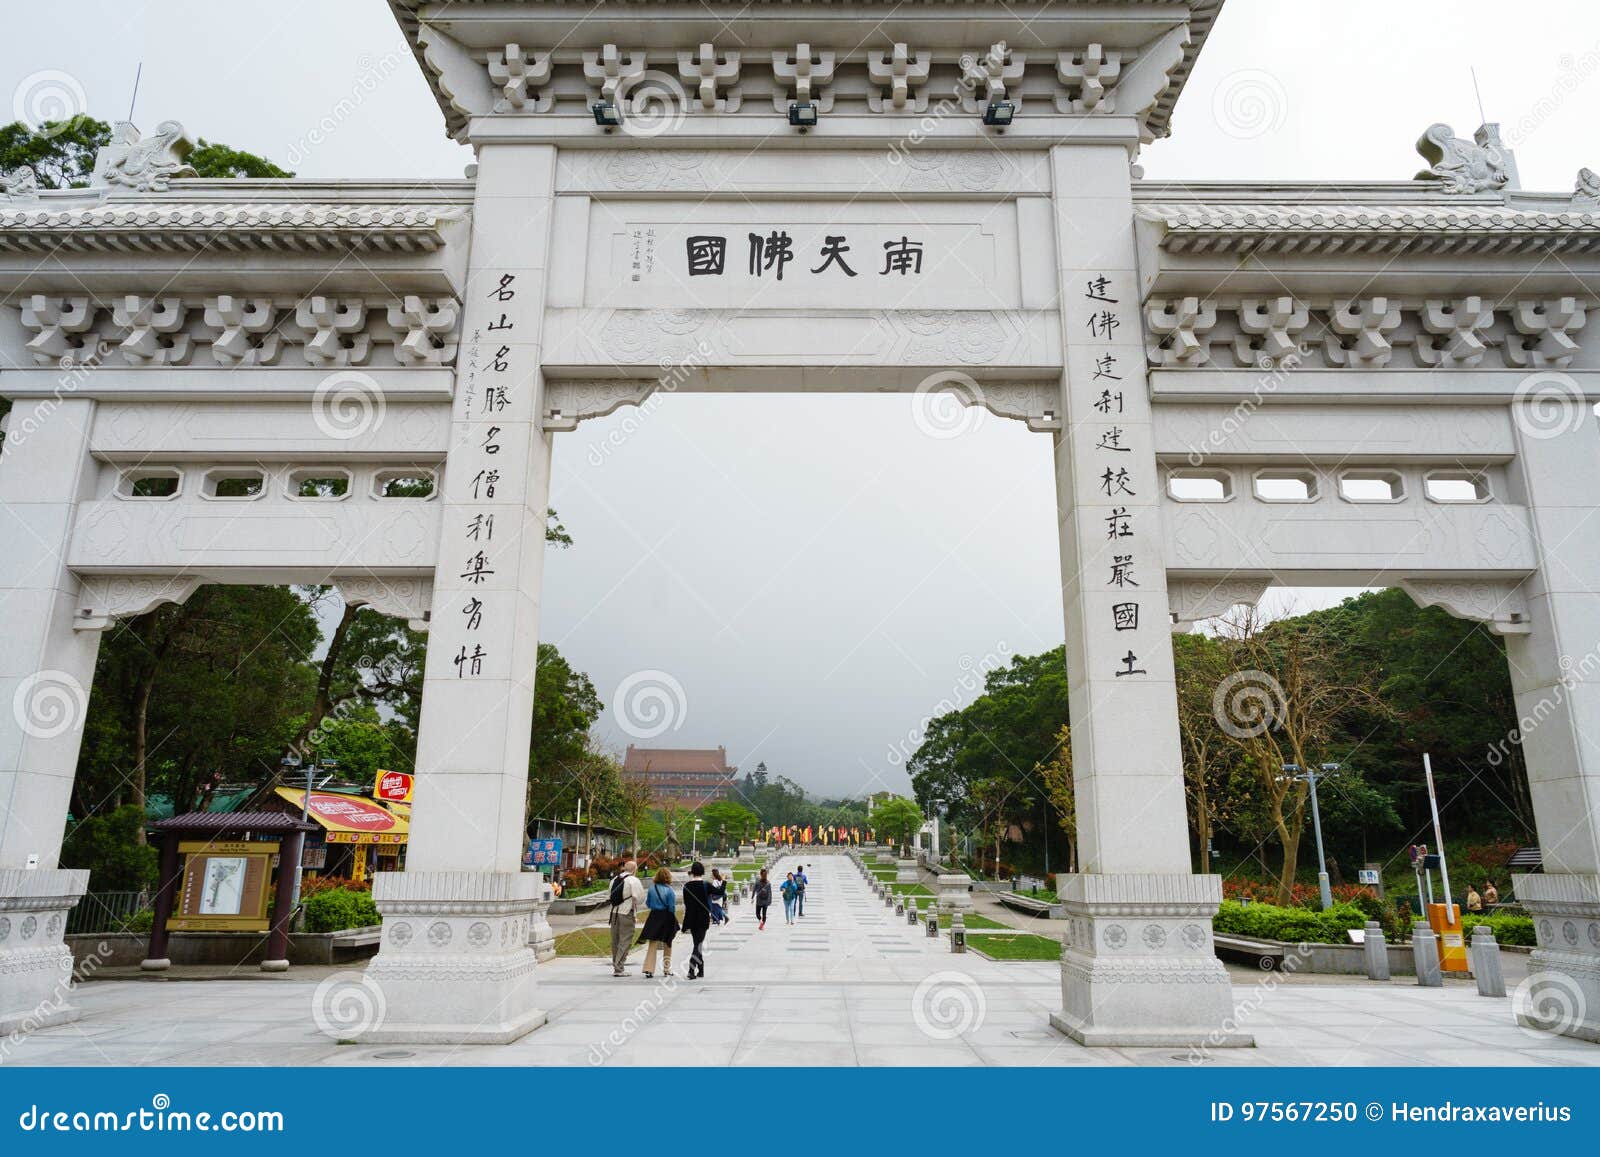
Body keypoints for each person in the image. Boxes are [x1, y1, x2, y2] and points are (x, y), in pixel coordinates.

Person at [608, 859, 647, 978]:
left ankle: (616, 965)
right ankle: (619, 967)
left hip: (614, 912)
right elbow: (640, 899)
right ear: (634, 870)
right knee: (625, 940)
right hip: (626, 913)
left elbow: (609, 894)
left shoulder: (614, 879)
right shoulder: (633, 881)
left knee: (615, 940)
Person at [639, 866, 679, 978]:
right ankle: (666, 969)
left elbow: (648, 904)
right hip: (666, 916)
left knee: (653, 943)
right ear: (668, 877)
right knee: (668, 943)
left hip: (654, 916)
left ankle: (649, 969)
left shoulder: (652, 888)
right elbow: (672, 907)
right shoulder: (670, 890)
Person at [681, 862, 713, 979]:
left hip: (692, 919)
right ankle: (691, 969)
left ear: (692, 872)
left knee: (697, 944)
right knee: (698, 945)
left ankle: (701, 970)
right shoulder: (706, 885)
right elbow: (720, 892)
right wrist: (723, 880)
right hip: (703, 919)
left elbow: (686, 904)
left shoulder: (686, 886)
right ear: (702, 872)